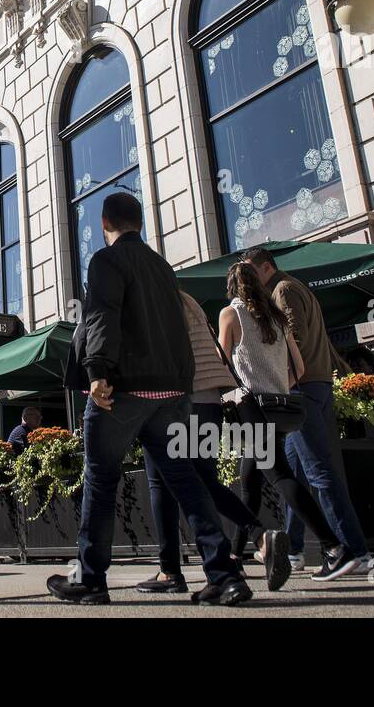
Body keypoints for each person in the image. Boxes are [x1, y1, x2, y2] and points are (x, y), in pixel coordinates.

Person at [46, 192, 250, 607]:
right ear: (140, 223)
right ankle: (225, 576)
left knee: (101, 480)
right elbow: (177, 328)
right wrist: (182, 380)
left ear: (105, 224)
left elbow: (102, 313)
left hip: (122, 390)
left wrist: (98, 370)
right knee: (186, 481)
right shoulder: (162, 267)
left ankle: (91, 580)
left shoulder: (106, 261)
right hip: (171, 392)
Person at [137, 290, 290, 593]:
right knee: (204, 480)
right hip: (210, 399)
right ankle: (260, 539)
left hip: (176, 400)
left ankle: (171, 571)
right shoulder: (187, 300)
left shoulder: (151, 299)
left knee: (161, 483)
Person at [243, 248, 373, 580]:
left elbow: (293, 336)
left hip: (301, 390)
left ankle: (353, 552)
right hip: (315, 385)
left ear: (266, 267)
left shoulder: (282, 290)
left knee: (319, 473)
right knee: (294, 474)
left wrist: (279, 379)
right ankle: (295, 550)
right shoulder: (298, 287)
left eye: (250, 271)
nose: (246, 279)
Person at [220, 262, 348, 580]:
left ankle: (334, 547)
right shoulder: (276, 316)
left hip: (252, 407)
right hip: (280, 407)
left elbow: (222, 365)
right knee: (249, 481)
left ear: (232, 287)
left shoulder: (230, 314)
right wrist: (279, 385)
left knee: (279, 476)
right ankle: (235, 556)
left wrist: (234, 393)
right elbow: (300, 368)